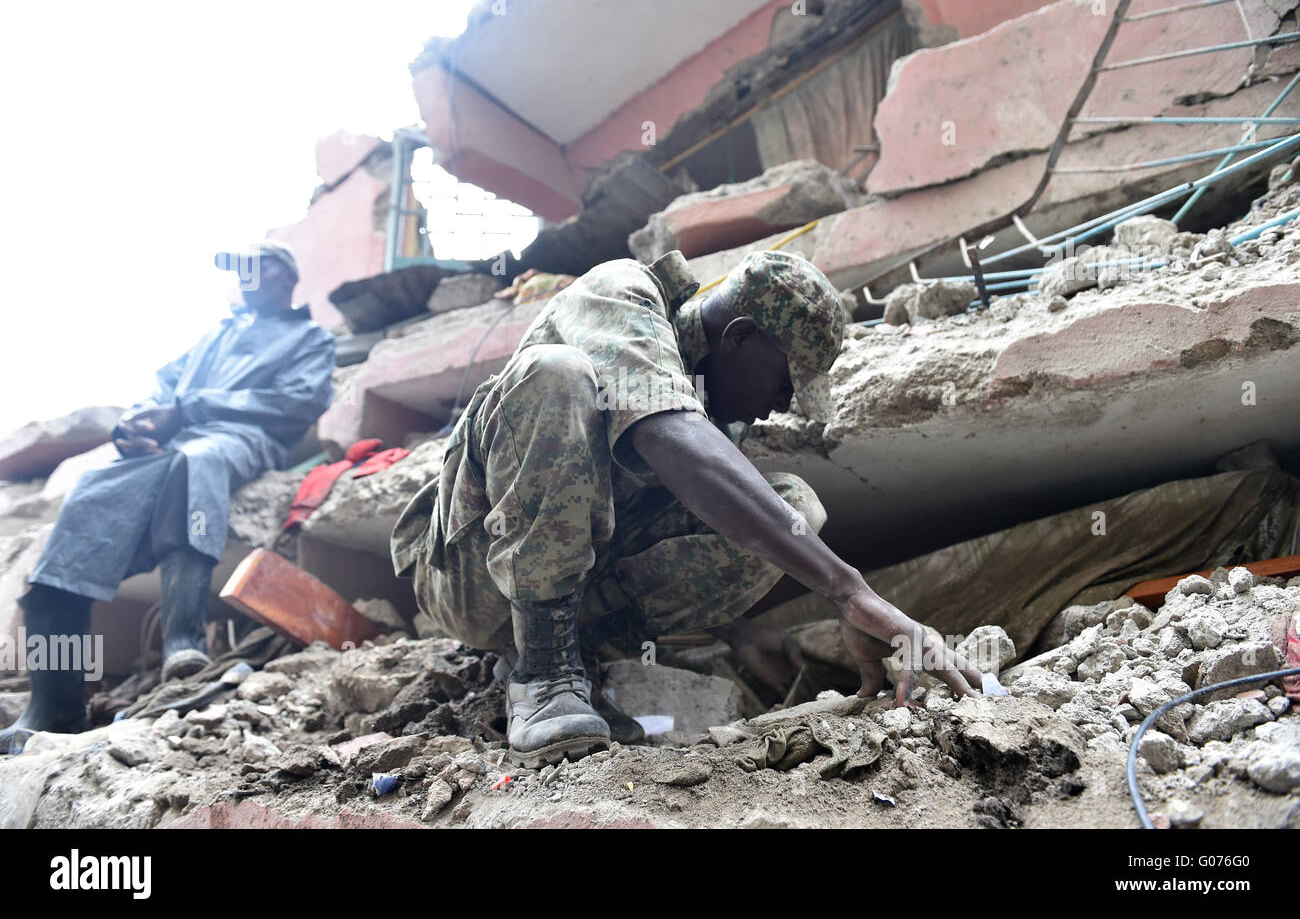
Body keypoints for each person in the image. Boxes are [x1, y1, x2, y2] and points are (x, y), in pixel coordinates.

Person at [392, 249, 982, 769]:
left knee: (790, 505)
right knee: (559, 375)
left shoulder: (713, 411)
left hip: (557, 584)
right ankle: (543, 674)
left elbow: (675, 517)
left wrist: (738, 632)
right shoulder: (621, 292)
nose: (782, 404)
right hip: (464, 578)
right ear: (741, 336)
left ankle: (578, 662)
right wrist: (851, 592)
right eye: (785, 382)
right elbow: (663, 433)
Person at [1, 241, 335, 754]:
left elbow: (297, 401)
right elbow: (160, 391)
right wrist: (134, 426)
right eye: (241, 269)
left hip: (239, 438)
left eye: (259, 267)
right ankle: (53, 703)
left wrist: (188, 410)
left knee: (196, 463)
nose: (247, 277)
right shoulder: (215, 335)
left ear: (288, 279)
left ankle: (184, 639)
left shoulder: (309, 336)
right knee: (89, 496)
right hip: (173, 439)